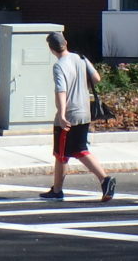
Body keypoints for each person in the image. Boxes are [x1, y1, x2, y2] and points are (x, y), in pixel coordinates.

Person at [39, 31, 117, 202]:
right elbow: (96, 78)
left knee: (70, 152)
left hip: (70, 114)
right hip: (85, 111)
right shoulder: (80, 58)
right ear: (65, 42)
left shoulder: (59, 66)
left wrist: (61, 114)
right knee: (68, 152)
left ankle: (105, 179)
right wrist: (82, 85)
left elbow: (61, 91)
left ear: (51, 49)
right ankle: (57, 189)